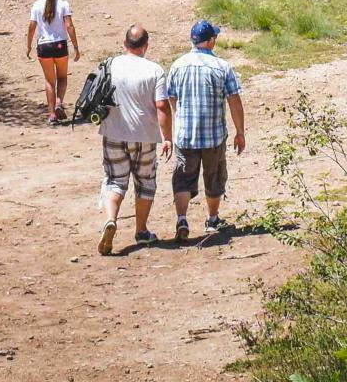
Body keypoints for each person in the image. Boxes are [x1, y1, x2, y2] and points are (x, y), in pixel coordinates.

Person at [96, 23, 174, 256]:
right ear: (146, 46)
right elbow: (162, 105)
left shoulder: (110, 65)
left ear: (124, 44)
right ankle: (141, 230)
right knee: (145, 182)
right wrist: (167, 137)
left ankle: (111, 219)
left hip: (113, 131)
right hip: (145, 135)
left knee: (114, 180)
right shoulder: (154, 70)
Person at [166, 19, 245, 239]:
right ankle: (212, 219)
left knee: (183, 179)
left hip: (185, 134)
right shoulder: (222, 66)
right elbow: (234, 101)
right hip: (213, 135)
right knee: (214, 177)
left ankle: (182, 220)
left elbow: (171, 97)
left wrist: (180, 117)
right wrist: (240, 132)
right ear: (210, 41)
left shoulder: (178, 65)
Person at [26, 0, 80, 124]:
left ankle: (52, 116)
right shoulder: (63, 4)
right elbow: (69, 26)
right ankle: (58, 103)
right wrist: (75, 46)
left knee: (50, 81)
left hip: (43, 46)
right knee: (62, 77)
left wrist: (29, 45)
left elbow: (31, 27)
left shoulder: (37, 5)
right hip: (60, 45)